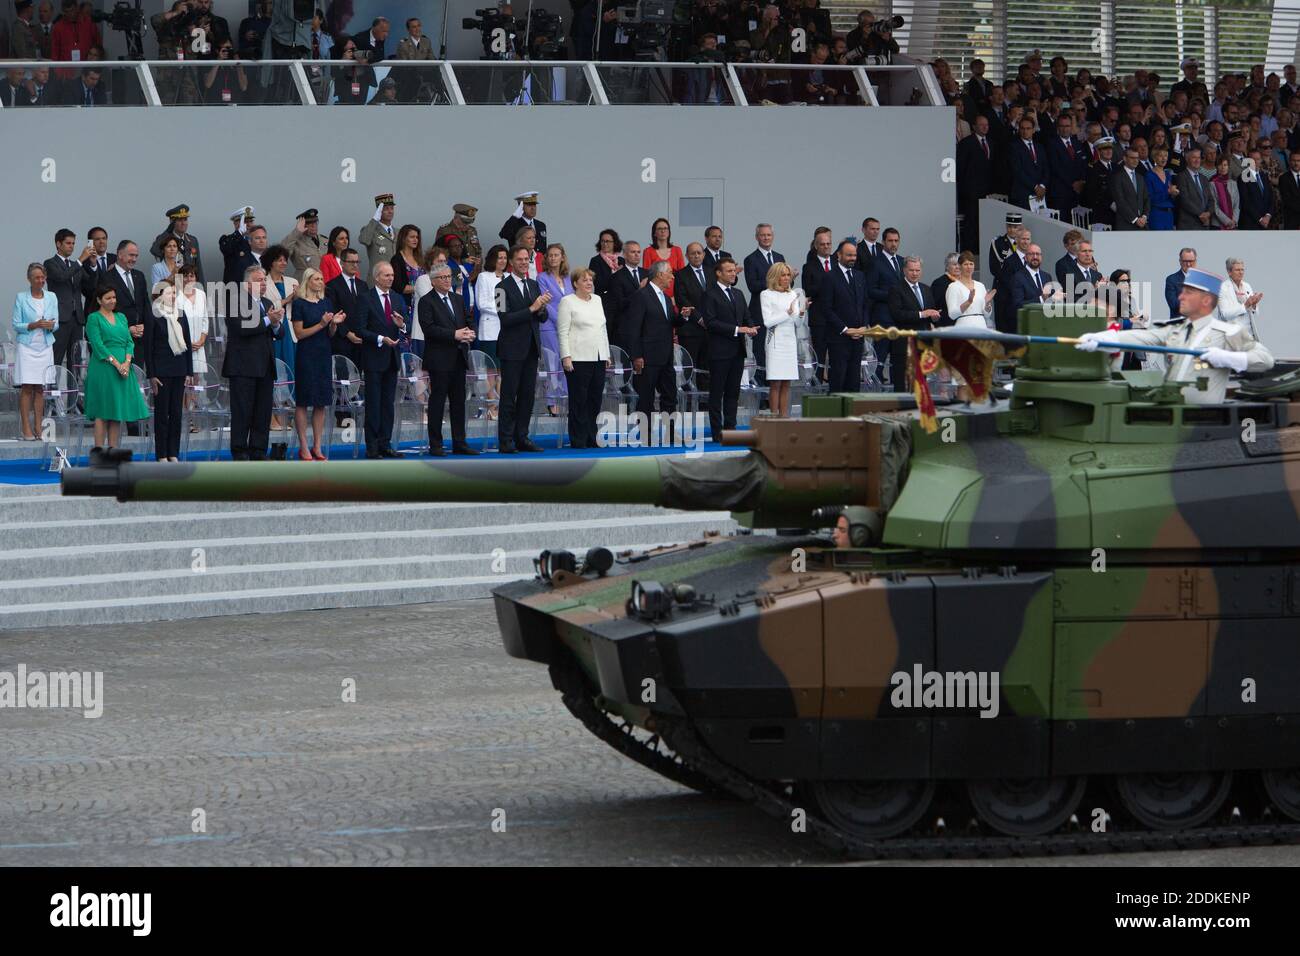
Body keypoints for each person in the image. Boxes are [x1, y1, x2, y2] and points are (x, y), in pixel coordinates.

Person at [1076, 268, 1273, 404]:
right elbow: (1141, 338)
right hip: (1172, 415)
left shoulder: (1228, 333)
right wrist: (1103, 339)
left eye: (1188, 292)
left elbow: (1264, 360)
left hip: (1203, 421)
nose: (1180, 297)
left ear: (1206, 300)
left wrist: (1228, 357)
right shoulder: (1173, 330)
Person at [223, 266, 285, 460]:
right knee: (242, 412)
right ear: (247, 284)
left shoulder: (267, 302)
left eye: (265, 280)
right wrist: (268, 320)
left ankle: (258, 450)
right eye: (259, 280)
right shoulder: (235, 301)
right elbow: (242, 328)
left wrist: (275, 323)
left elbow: (280, 333)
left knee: (262, 412)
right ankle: (240, 450)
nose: (263, 283)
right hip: (243, 366)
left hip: (265, 366)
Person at [418, 264, 479, 457]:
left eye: (448, 277)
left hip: (458, 357)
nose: (446, 280)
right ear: (433, 280)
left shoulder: (458, 299)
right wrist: (455, 334)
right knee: (438, 402)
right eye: (442, 277)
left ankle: (459, 442)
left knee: (459, 402)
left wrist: (470, 332)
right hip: (439, 358)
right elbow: (429, 329)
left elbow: (469, 320)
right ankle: (435, 444)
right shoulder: (427, 301)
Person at [496, 245, 551, 454]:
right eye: (519, 259)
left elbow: (542, 317)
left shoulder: (534, 285)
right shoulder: (501, 287)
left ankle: (522, 436)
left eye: (526, 259)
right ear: (511, 261)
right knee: (509, 395)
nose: (523, 262)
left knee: (528, 395)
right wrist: (532, 308)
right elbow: (504, 318)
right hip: (511, 349)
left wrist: (542, 308)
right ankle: (505, 439)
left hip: (531, 348)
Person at [84, 284, 150, 449]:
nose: (112, 301)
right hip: (103, 368)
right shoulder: (94, 318)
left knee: (116, 413)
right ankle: (99, 453)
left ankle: (113, 453)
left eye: (114, 297)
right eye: (108, 298)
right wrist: (117, 364)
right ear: (99, 300)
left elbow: (129, 341)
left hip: (123, 369)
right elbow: (98, 345)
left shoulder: (121, 317)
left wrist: (126, 363)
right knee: (102, 413)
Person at [354, 261, 407, 458]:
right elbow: (360, 328)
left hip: (392, 358)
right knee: (374, 404)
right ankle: (372, 446)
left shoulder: (397, 298)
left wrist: (401, 326)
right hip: (374, 357)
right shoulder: (365, 299)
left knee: (387, 404)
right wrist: (379, 339)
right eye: (386, 275)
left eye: (392, 275)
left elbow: (405, 324)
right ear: (376, 277)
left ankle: (385, 443)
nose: (391, 278)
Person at [291, 267, 343, 460]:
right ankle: (304, 445)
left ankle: (317, 445)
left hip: (323, 353)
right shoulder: (299, 304)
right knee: (304, 401)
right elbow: (299, 333)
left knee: (321, 401)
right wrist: (321, 324)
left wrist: (334, 324)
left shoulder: (326, 303)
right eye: (316, 279)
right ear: (307, 281)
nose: (320, 282)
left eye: (322, 279)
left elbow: (329, 334)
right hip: (306, 354)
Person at [624, 260, 684, 425]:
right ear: (660, 274)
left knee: (670, 396)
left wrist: (683, 317)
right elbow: (634, 328)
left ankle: (670, 435)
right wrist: (636, 356)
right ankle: (646, 435)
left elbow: (669, 321)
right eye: (670, 273)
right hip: (647, 357)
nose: (672, 277)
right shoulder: (641, 295)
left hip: (666, 356)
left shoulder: (665, 297)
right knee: (646, 399)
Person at [703, 257, 756, 441]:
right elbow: (710, 323)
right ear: (719, 273)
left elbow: (746, 317)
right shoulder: (710, 294)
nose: (733, 274)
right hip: (719, 352)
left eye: (734, 271)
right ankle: (717, 432)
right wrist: (737, 329)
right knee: (717, 393)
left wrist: (751, 328)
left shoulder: (739, 294)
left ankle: (730, 428)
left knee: (733, 392)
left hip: (737, 351)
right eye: (729, 271)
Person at [557, 268, 610, 449]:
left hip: (598, 357)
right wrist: (566, 356)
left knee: (595, 399)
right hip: (577, 358)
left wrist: (606, 353)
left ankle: (591, 436)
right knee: (579, 400)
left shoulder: (597, 300)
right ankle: (578, 439)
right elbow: (563, 332)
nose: (589, 283)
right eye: (585, 280)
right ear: (575, 284)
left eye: (590, 280)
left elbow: (602, 328)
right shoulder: (567, 301)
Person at [144, 283, 193, 462]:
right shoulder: (152, 314)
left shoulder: (180, 313)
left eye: (174, 293)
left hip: (179, 369)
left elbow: (187, 343)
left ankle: (173, 452)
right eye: (169, 293)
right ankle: (162, 454)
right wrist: (151, 374)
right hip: (161, 370)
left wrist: (190, 372)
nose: (173, 296)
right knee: (162, 413)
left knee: (176, 413)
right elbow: (148, 347)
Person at [12, 263, 57, 441]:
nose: (41, 281)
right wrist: (34, 324)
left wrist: (51, 325)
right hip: (27, 347)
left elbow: (57, 322)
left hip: (45, 345)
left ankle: (39, 426)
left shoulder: (52, 296)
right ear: (29, 279)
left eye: (43, 277)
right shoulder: (21, 298)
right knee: (27, 387)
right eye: (37, 278)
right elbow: (16, 324)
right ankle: (26, 427)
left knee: (40, 388)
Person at [760, 262, 804, 417]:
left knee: (787, 383)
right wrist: (787, 312)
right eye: (783, 275)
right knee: (775, 383)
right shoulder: (766, 294)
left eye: (788, 275)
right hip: (775, 342)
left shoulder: (792, 294)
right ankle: (773, 418)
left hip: (789, 342)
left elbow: (797, 323)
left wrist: (801, 313)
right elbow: (768, 322)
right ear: (775, 276)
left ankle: (784, 418)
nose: (786, 278)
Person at [537, 244, 574, 416]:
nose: (553, 258)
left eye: (556, 255)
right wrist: (561, 320)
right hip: (550, 326)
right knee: (553, 364)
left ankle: (565, 397)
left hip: (568, 327)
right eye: (550, 255)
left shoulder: (568, 278)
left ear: (562, 257)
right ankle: (552, 401)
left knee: (566, 362)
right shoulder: (542, 277)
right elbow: (546, 302)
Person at [743, 224, 784, 375]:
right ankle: (762, 397)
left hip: (778, 313)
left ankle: (774, 391)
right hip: (760, 313)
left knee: (777, 354)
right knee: (761, 354)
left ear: (772, 237)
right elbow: (753, 285)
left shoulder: (779, 257)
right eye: (762, 235)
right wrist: (776, 281)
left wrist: (789, 278)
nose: (766, 238)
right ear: (757, 237)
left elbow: (788, 283)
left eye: (769, 235)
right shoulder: (750, 259)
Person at [42, 228, 85, 369]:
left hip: (77, 318)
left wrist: (92, 264)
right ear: (58, 244)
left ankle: (73, 390)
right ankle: (51, 388)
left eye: (73, 243)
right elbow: (61, 277)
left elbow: (90, 284)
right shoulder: (49, 263)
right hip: (60, 318)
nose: (72, 246)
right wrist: (80, 261)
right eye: (68, 243)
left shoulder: (76, 265)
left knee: (76, 359)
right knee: (56, 357)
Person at [263, 245, 298, 394]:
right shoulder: (262, 281)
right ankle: (275, 404)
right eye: (279, 260)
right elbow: (264, 307)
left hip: (290, 328)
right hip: (272, 328)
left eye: (285, 260)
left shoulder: (293, 281)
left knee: (292, 365)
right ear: (271, 262)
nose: (284, 263)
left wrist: (298, 299)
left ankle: (291, 401)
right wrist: (288, 299)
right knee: (275, 365)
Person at [325, 247, 366, 364]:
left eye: (357, 262)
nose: (355, 265)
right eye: (351, 262)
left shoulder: (363, 285)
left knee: (361, 378)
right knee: (343, 378)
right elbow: (333, 312)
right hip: (342, 340)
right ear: (342, 263)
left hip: (361, 340)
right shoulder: (331, 286)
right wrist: (348, 334)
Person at [603, 240, 644, 353]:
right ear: (624, 254)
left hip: (644, 329)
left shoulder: (647, 273)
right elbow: (620, 304)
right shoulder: (616, 277)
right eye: (633, 252)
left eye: (639, 252)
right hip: (626, 330)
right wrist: (639, 290)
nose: (637, 255)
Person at [945, 251, 996, 331]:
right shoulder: (953, 287)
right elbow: (952, 314)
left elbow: (987, 315)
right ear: (959, 266)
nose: (969, 267)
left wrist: (987, 304)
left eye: (971, 264)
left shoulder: (980, 286)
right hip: (964, 327)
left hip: (981, 326)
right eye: (965, 264)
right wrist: (968, 302)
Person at [1217, 257, 1263, 340]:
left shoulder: (1247, 286)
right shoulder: (1222, 288)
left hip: (1249, 336)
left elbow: (1255, 313)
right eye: (1237, 270)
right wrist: (1245, 305)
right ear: (1229, 272)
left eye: (1242, 270)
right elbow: (1224, 315)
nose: (1241, 272)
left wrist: (1254, 304)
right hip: (1231, 338)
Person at [642, 218, 685, 298]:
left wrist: (677, 296)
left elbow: (682, 275)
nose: (663, 231)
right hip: (656, 294)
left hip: (675, 294)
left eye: (665, 228)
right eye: (659, 229)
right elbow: (647, 275)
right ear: (654, 233)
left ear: (669, 232)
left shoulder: (677, 250)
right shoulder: (648, 251)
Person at [1112, 147, 1151, 230]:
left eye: (1137, 158)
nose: (1136, 160)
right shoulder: (1117, 177)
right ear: (1125, 158)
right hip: (1125, 225)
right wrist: (1135, 219)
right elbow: (1120, 201)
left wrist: (1144, 217)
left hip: (1142, 225)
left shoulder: (1140, 177)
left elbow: (1146, 199)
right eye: (1132, 158)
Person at [358, 193, 397, 275]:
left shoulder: (399, 232)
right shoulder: (371, 230)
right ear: (379, 211)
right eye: (386, 209)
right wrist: (375, 220)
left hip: (396, 280)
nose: (390, 211)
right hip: (378, 279)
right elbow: (363, 240)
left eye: (392, 208)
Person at [1175, 148, 1214, 229]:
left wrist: (1208, 213)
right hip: (1188, 225)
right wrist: (1201, 215)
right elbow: (1184, 200)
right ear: (1187, 159)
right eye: (1194, 157)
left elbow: (1211, 200)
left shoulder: (1204, 179)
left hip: (1204, 225)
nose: (1197, 160)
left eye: (1199, 158)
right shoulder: (1181, 177)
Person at [281, 208, 326, 275]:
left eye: (315, 222)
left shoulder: (325, 240)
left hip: (324, 282)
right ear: (303, 225)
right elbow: (281, 252)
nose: (313, 225)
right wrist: (297, 231)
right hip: (305, 282)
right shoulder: (295, 241)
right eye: (309, 223)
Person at [1239, 157, 1276, 231]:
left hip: (1267, 223)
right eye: (1252, 160)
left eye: (1258, 159)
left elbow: (1271, 198)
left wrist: (1268, 216)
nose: (1255, 162)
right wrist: (1260, 219)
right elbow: (1246, 202)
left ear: (1261, 160)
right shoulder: (1243, 177)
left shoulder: (1264, 176)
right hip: (1250, 224)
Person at [1145, 147, 1177, 230]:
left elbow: (1170, 196)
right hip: (1156, 214)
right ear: (1154, 158)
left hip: (1169, 214)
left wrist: (1174, 194)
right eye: (1160, 156)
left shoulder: (1168, 174)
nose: (1164, 158)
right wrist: (1168, 191)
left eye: (1165, 155)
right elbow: (1150, 198)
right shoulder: (1149, 175)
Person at [589, 228, 624, 297]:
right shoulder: (595, 261)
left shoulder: (622, 261)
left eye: (608, 241)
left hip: (620, 299)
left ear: (614, 243)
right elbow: (598, 284)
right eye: (602, 241)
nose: (605, 244)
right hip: (604, 300)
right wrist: (616, 275)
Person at [1208, 158, 1241, 230]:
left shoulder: (1233, 183)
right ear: (1216, 167)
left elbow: (1237, 204)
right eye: (1220, 165)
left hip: (1233, 223)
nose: (1223, 167)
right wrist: (1227, 221)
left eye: (1225, 165)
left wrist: (1234, 220)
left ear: (1228, 167)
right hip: (1217, 224)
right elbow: (1214, 206)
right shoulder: (1211, 183)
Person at [1279, 151, 1300, 228]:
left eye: (1298, 161)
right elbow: (1287, 200)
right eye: (1294, 160)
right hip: (1292, 220)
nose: (1296, 163)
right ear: (1289, 161)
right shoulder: (1283, 178)